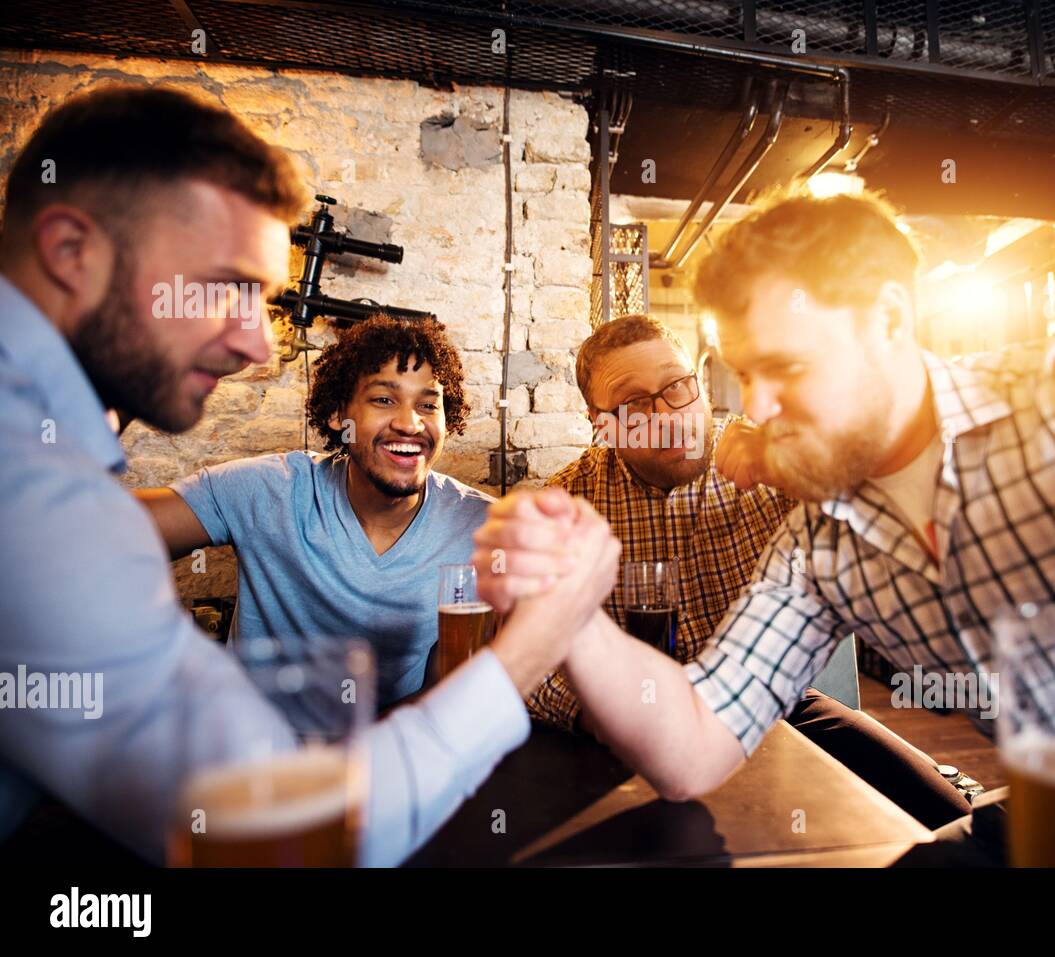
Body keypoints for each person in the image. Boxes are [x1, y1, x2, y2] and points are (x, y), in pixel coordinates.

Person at [474, 192, 1055, 866]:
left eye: (786, 368)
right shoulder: (821, 538)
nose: (752, 409)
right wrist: (568, 607)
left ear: (891, 320)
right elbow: (692, 743)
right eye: (744, 373)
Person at [0, 84, 615, 865]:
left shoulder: (50, 475)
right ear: (70, 253)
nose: (259, 344)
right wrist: (543, 633)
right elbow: (293, 829)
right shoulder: (35, 489)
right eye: (230, 287)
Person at [527, 312, 971, 828]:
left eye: (677, 386)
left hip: (777, 709)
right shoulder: (569, 501)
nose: (667, 414)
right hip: (627, 729)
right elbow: (527, 657)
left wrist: (805, 469)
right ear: (600, 423)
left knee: (948, 816)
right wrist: (600, 716)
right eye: (633, 404)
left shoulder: (770, 462)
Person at [137, 315, 491, 710]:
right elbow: (94, 532)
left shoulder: (479, 527)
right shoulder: (270, 489)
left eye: (428, 404)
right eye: (383, 399)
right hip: (254, 753)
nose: (410, 423)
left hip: (386, 754)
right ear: (339, 414)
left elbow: (450, 694)